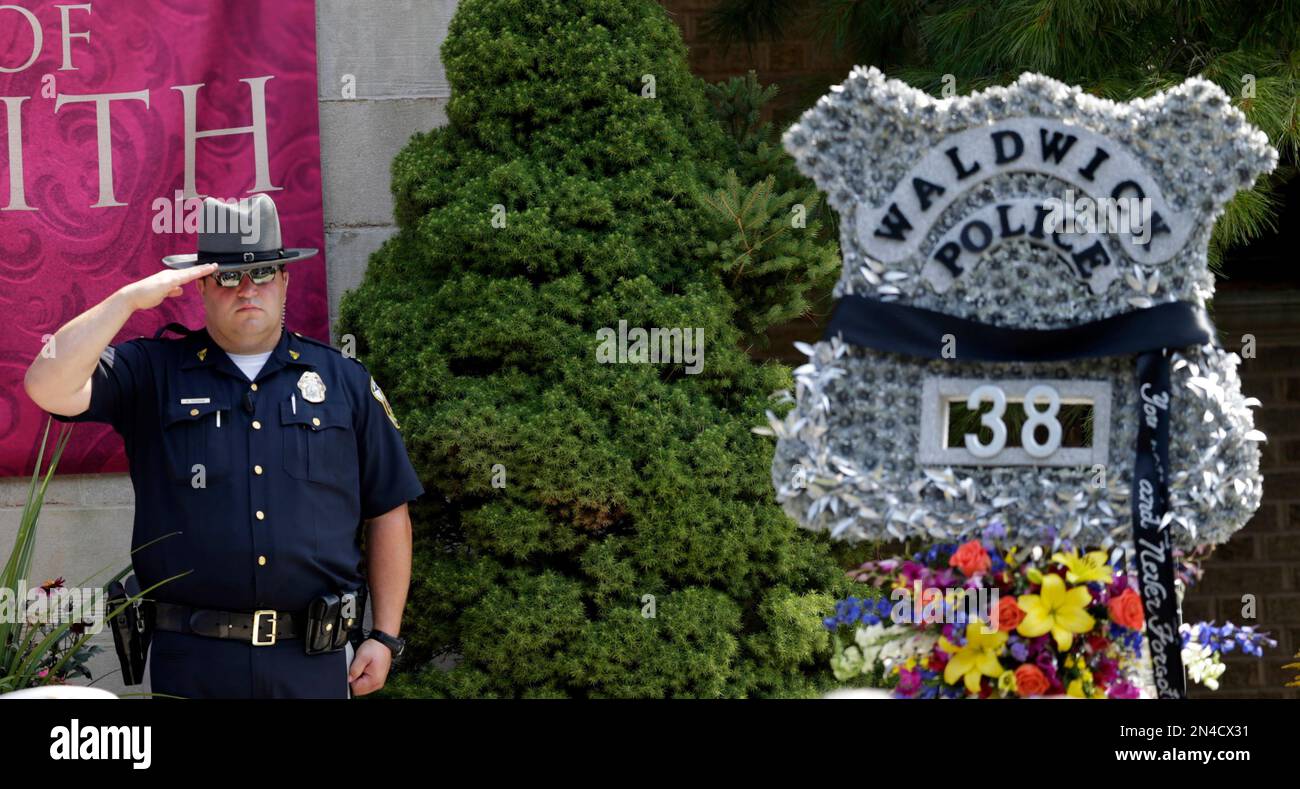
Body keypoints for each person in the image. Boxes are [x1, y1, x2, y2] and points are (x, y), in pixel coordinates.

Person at [23, 193, 423, 698]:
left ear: (285, 281)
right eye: (228, 276)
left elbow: (388, 508)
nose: (247, 289)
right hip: (193, 659)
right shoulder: (153, 372)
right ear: (202, 286)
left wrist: (384, 635)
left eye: (262, 273)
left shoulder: (341, 380)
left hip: (314, 662)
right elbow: (46, 385)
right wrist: (125, 301)